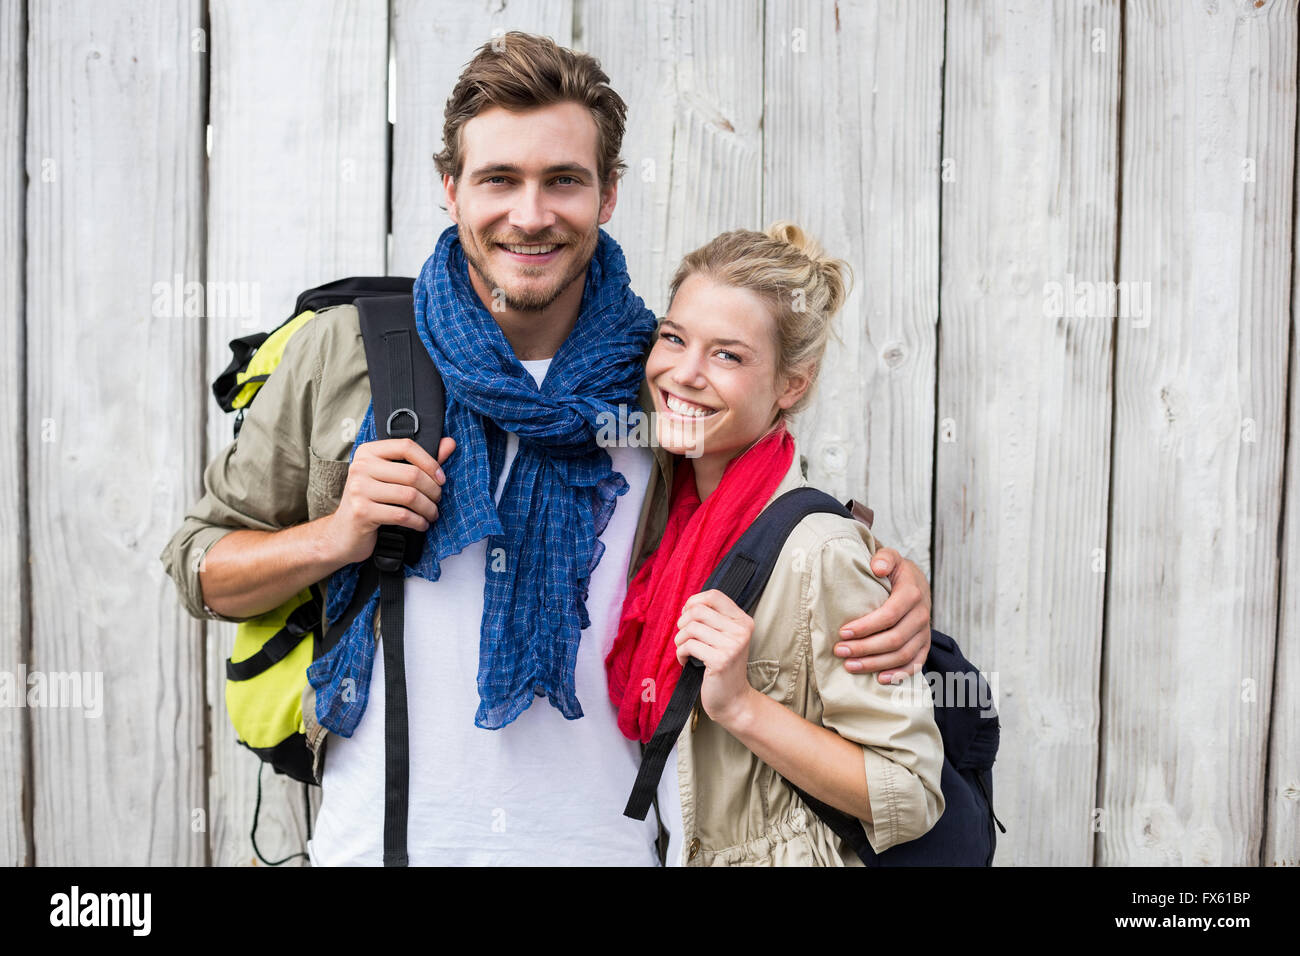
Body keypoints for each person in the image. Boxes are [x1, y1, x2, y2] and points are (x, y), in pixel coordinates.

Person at [159, 32, 935, 866]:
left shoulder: (662, 378)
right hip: (377, 848)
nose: (530, 214)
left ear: (607, 195)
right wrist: (336, 535)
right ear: (450, 187)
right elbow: (200, 566)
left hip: (620, 847)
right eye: (499, 178)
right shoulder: (348, 353)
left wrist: (887, 577)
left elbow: (769, 521)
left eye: (563, 179)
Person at [606, 223, 946, 865]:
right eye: (674, 338)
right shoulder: (667, 511)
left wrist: (740, 705)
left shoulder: (823, 553)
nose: (684, 373)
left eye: (728, 356)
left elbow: (910, 791)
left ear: (792, 384)